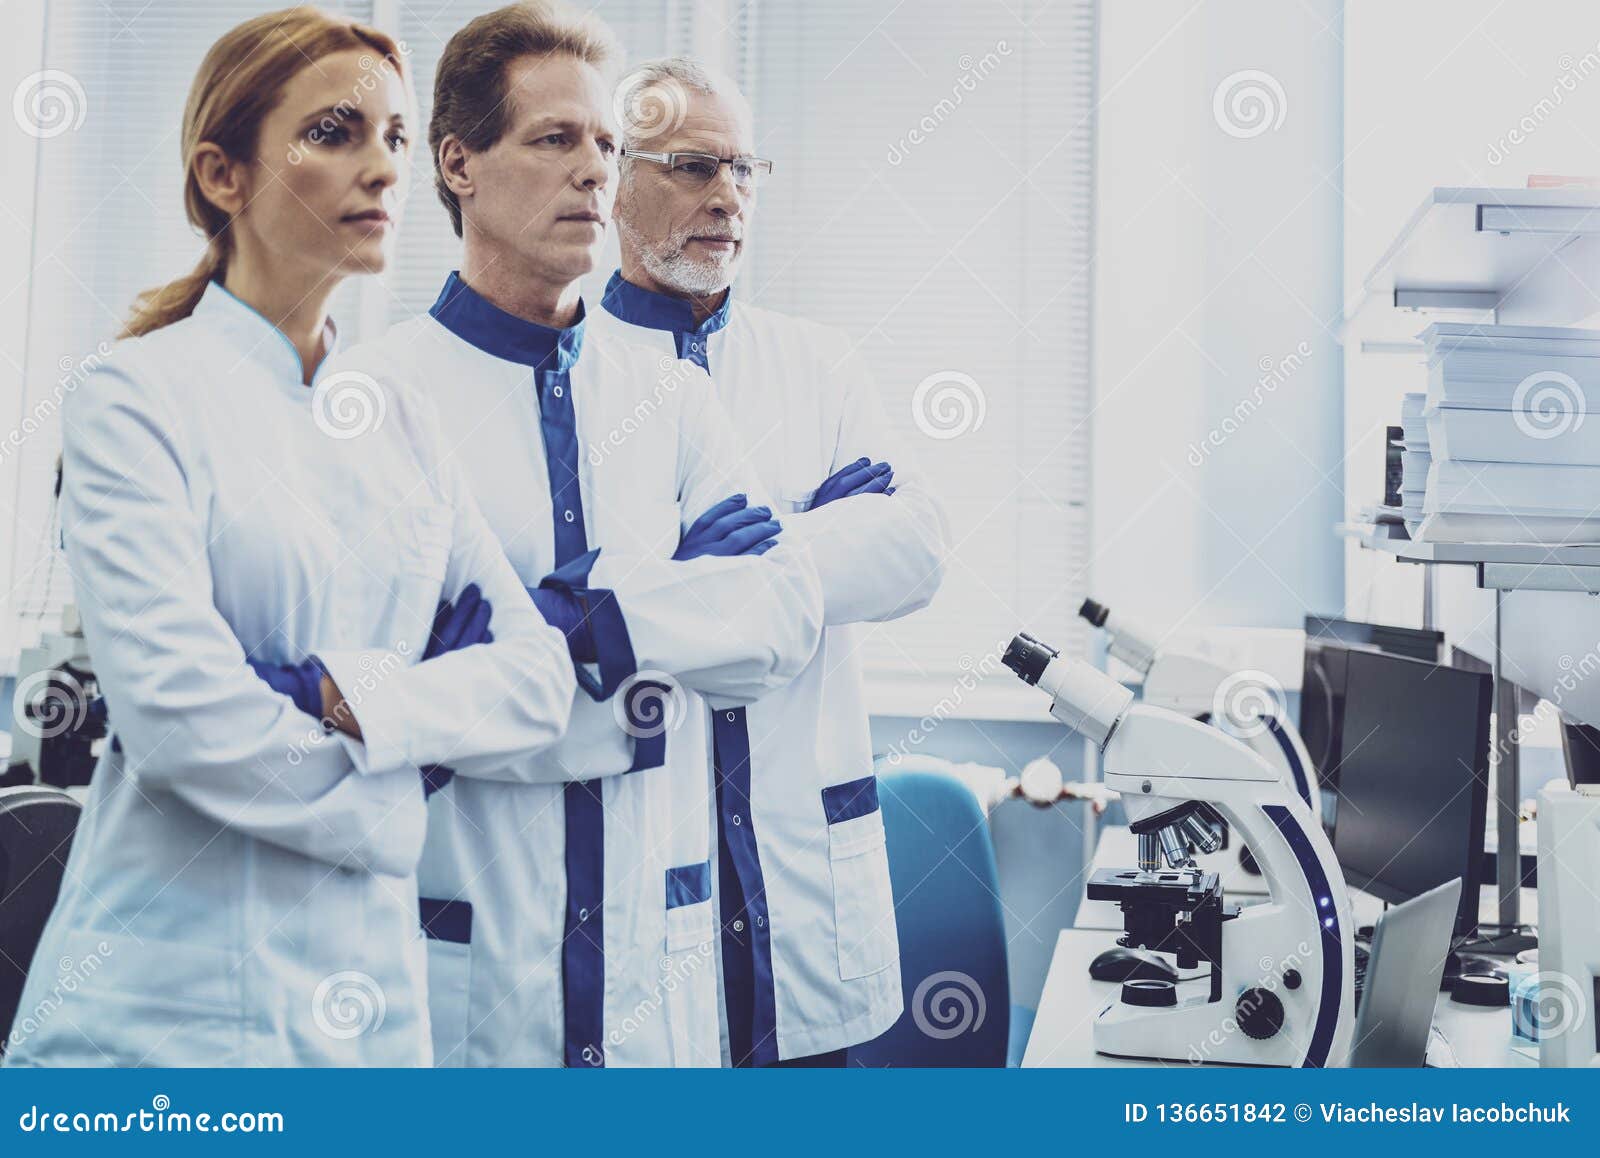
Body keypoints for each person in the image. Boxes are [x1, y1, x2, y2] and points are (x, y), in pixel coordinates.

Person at [4, 6, 578, 1068]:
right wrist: (405, 776)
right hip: (163, 1028)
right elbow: (183, 725)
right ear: (224, 177)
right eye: (335, 133)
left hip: (368, 1021)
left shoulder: (401, 419)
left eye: (398, 139)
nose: (382, 169)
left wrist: (329, 692)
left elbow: (540, 684)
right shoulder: (134, 398)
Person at [333, 1, 823, 1067]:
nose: (594, 172)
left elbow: (779, 624)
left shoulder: (674, 400)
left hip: (655, 979)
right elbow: (370, 702)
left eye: (606, 143)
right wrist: (676, 605)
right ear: (457, 163)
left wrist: (582, 622)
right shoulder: (373, 397)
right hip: (463, 976)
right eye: (556, 140)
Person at [590, 58, 950, 1066]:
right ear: (614, 180)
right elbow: (586, 608)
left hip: (803, 890)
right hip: (648, 886)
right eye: (695, 166)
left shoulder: (818, 362)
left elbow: (914, 551)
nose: (728, 198)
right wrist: (812, 530)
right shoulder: (574, 377)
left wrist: (735, 553)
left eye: (746, 169)